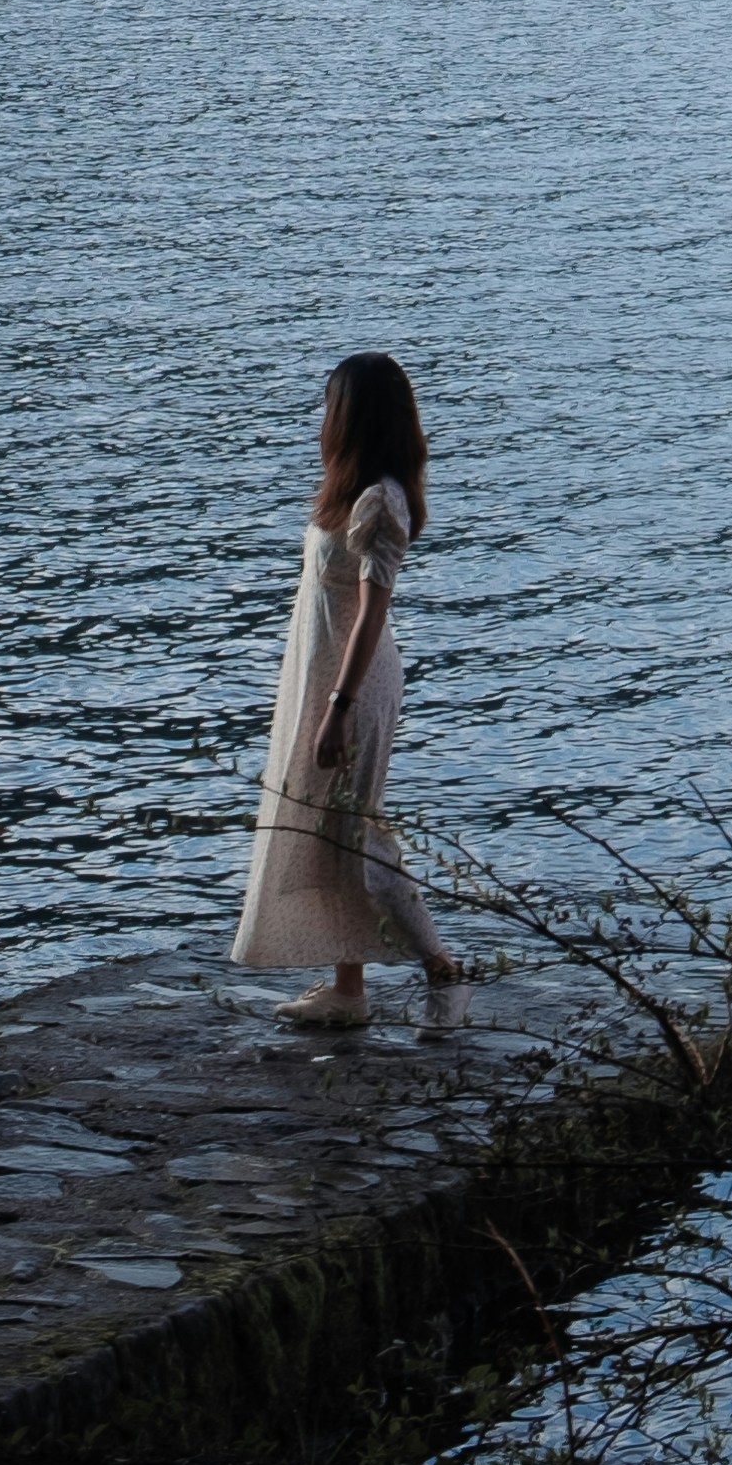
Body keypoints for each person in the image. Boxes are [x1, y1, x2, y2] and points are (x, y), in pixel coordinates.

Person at [233, 347, 468, 1028]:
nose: (322, 419)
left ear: (353, 417)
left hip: (352, 683)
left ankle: (445, 974)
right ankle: (348, 989)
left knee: (359, 837)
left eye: (331, 406)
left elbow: (373, 610)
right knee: (335, 832)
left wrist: (338, 706)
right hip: (325, 676)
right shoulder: (348, 493)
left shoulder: (379, 501)